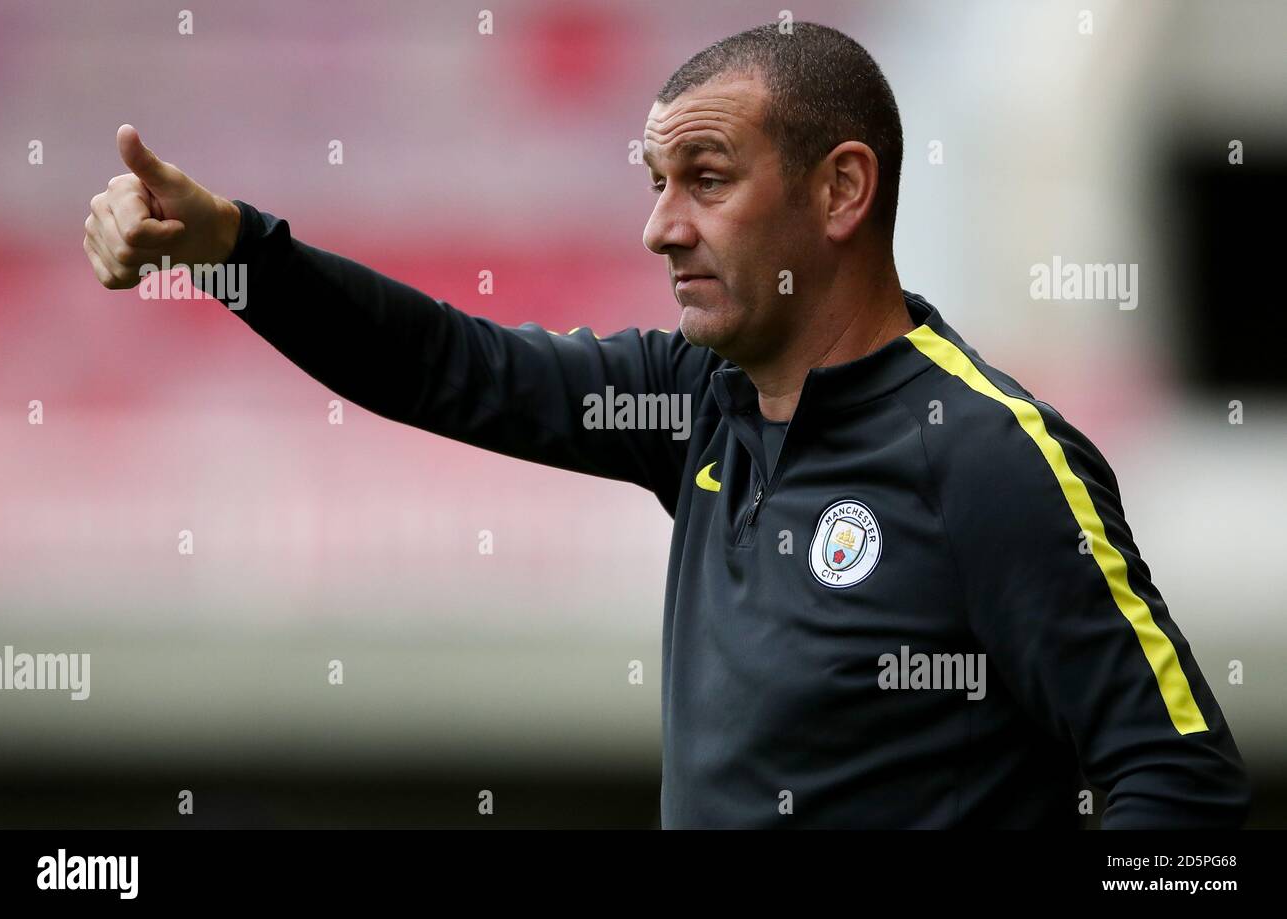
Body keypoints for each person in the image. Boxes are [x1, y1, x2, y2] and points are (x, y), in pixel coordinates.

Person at [83, 22, 1250, 828]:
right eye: (653, 180)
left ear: (842, 191)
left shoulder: (988, 456)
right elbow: (442, 365)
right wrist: (237, 252)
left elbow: (1178, 784)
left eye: (703, 176)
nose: (659, 227)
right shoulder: (691, 407)